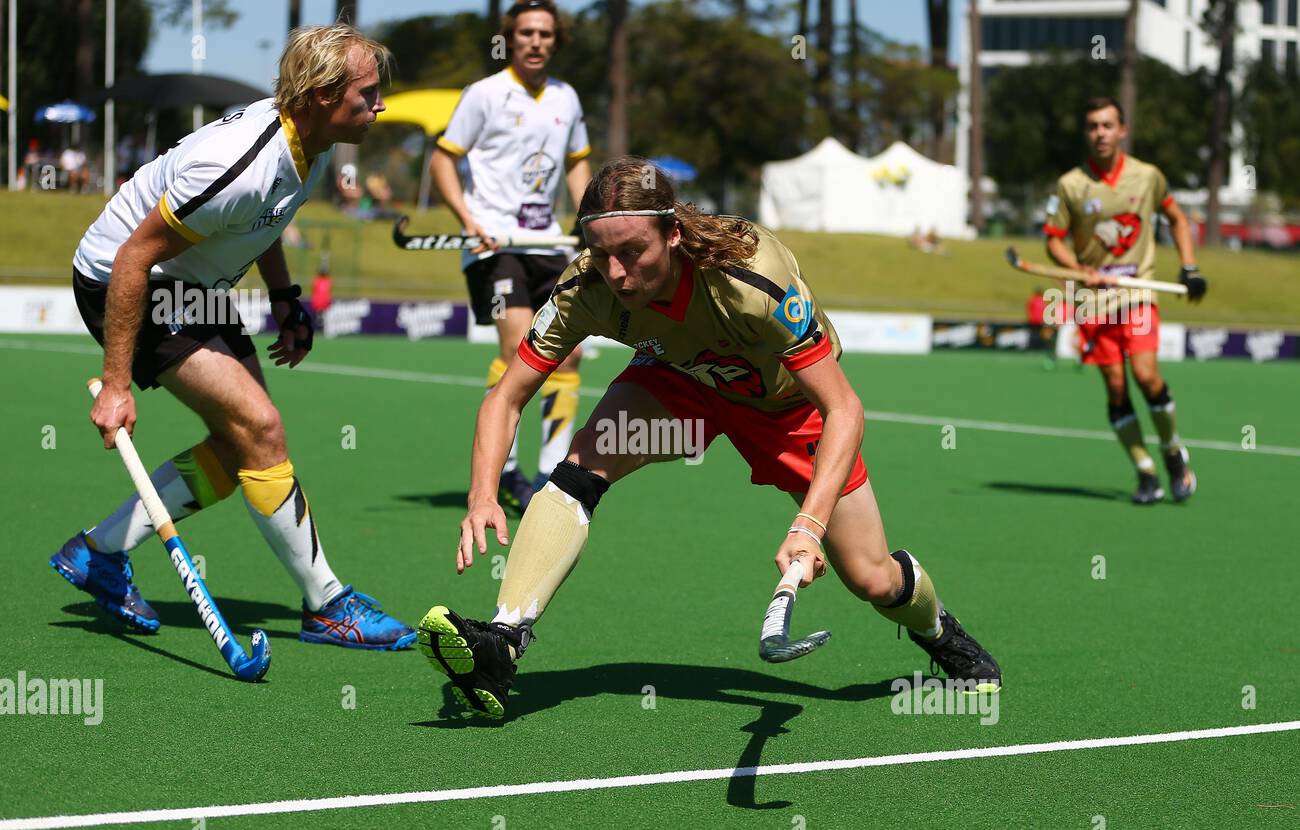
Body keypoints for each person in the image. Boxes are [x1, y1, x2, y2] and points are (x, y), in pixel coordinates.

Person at [414, 156, 1002, 719]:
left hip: (785, 408)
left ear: (671, 235)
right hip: (681, 383)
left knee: (871, 575)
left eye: (633, 252)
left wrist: (808, 527)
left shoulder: (751, 278)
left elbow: (843, 406)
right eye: (601, 255)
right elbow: (507, 396)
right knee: (582, 464)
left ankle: (939, 631)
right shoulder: (587, 288)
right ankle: (503, 640)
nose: (617, 275)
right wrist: (483, 494)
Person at [50, 24, 415, 650]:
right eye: (368, 94)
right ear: (323, 94)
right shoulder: (240, 167)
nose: (378, 106)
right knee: (262, 430)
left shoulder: (315, 143)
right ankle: (328, 605)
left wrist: (285, 300)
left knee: (243, 438)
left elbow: (266, 223)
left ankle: (99, 551)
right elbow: (134, 259)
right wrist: (115, 387)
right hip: (127, 277)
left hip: (192, 283)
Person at [429, 0, 593, 512]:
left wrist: (586, 217)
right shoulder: (484, 94)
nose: (536, 41)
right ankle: (505, 470)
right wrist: (468, 220)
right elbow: (442, 160)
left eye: (545, 33)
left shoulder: (567, 97)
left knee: (569, 353)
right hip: (494, 247)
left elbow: (577, 162)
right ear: (510, 38)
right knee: (521, 348)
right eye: (526, 33)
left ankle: (549, 472)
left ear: (556, 40)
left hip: (548, 245)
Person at [1045, 96, 1207, 504]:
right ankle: (1145, 469)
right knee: (1116, 388)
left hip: (1138, 295)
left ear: (1122, 130)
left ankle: (1172, 451)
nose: (1099, 133)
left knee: (1146, 375)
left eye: (1106, 125)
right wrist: (1081, 272)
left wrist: (1189, 267)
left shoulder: (1147, 176)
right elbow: (1053, 240)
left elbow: (1177, 219)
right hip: (1092, 302)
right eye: (1092, 126)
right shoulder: (1071, 184)